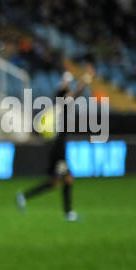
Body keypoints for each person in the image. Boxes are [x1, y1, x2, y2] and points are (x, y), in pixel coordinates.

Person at [16, 62, 92, 221]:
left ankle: (24, 196)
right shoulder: (62, 105)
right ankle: (68, 213)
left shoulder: (57, 107)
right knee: (68, 178)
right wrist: (84, 80)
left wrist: (68, 80)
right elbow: (75, 94)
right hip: (58, 148)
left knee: (54, 182)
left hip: (55, 147)